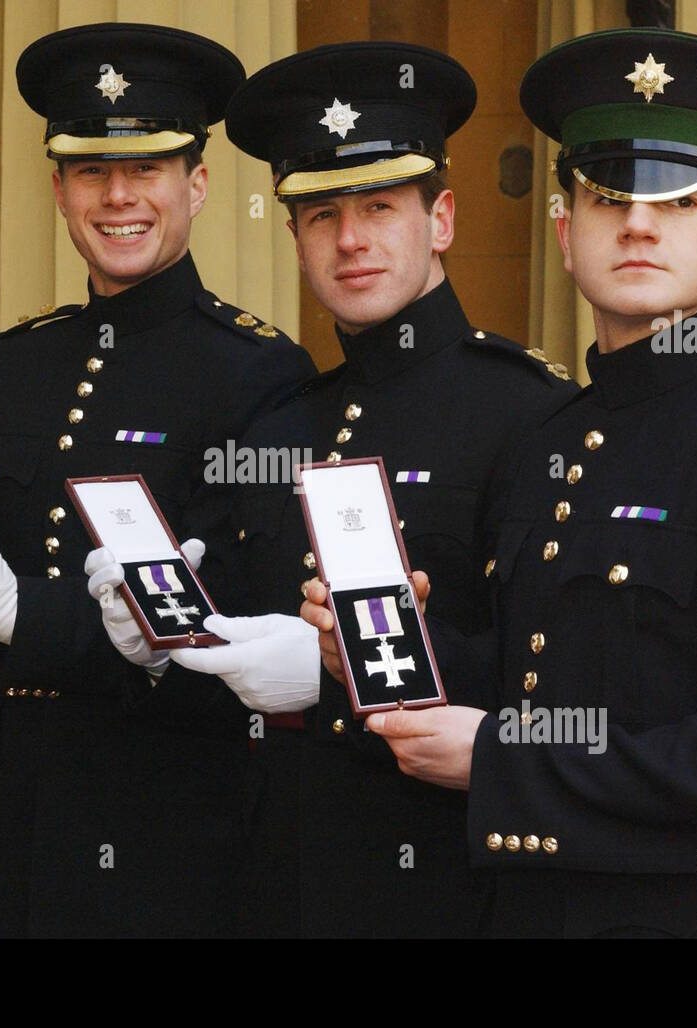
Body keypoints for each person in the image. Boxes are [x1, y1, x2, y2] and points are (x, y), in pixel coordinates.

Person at [305, 27, 697, 938]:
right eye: (609, 199)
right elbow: (549, 680)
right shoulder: (549, 438)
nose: (641, 224)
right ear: (568, 236)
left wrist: (501, 761)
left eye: (683, 202)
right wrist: (403, 653)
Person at [90, 41, 576, 937]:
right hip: (281, 881)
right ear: (295, 237)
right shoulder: (286, 423)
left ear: (443, 220)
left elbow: (557, 676)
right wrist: (164, 641)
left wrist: (349, 675)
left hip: (455, 888)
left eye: (381, 207)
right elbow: (239, 648)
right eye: (320, 214)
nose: (350, 239)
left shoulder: (532, 416)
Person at [0, 23, 315, 937]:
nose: (118, 197)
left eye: (145, 168)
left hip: (176, 836)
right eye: (91, 171)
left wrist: (9, 609)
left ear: (198, 184)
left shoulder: (259, 373)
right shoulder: (16, 362)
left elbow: (235, 623)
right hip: (23, 821)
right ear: (59, 188)